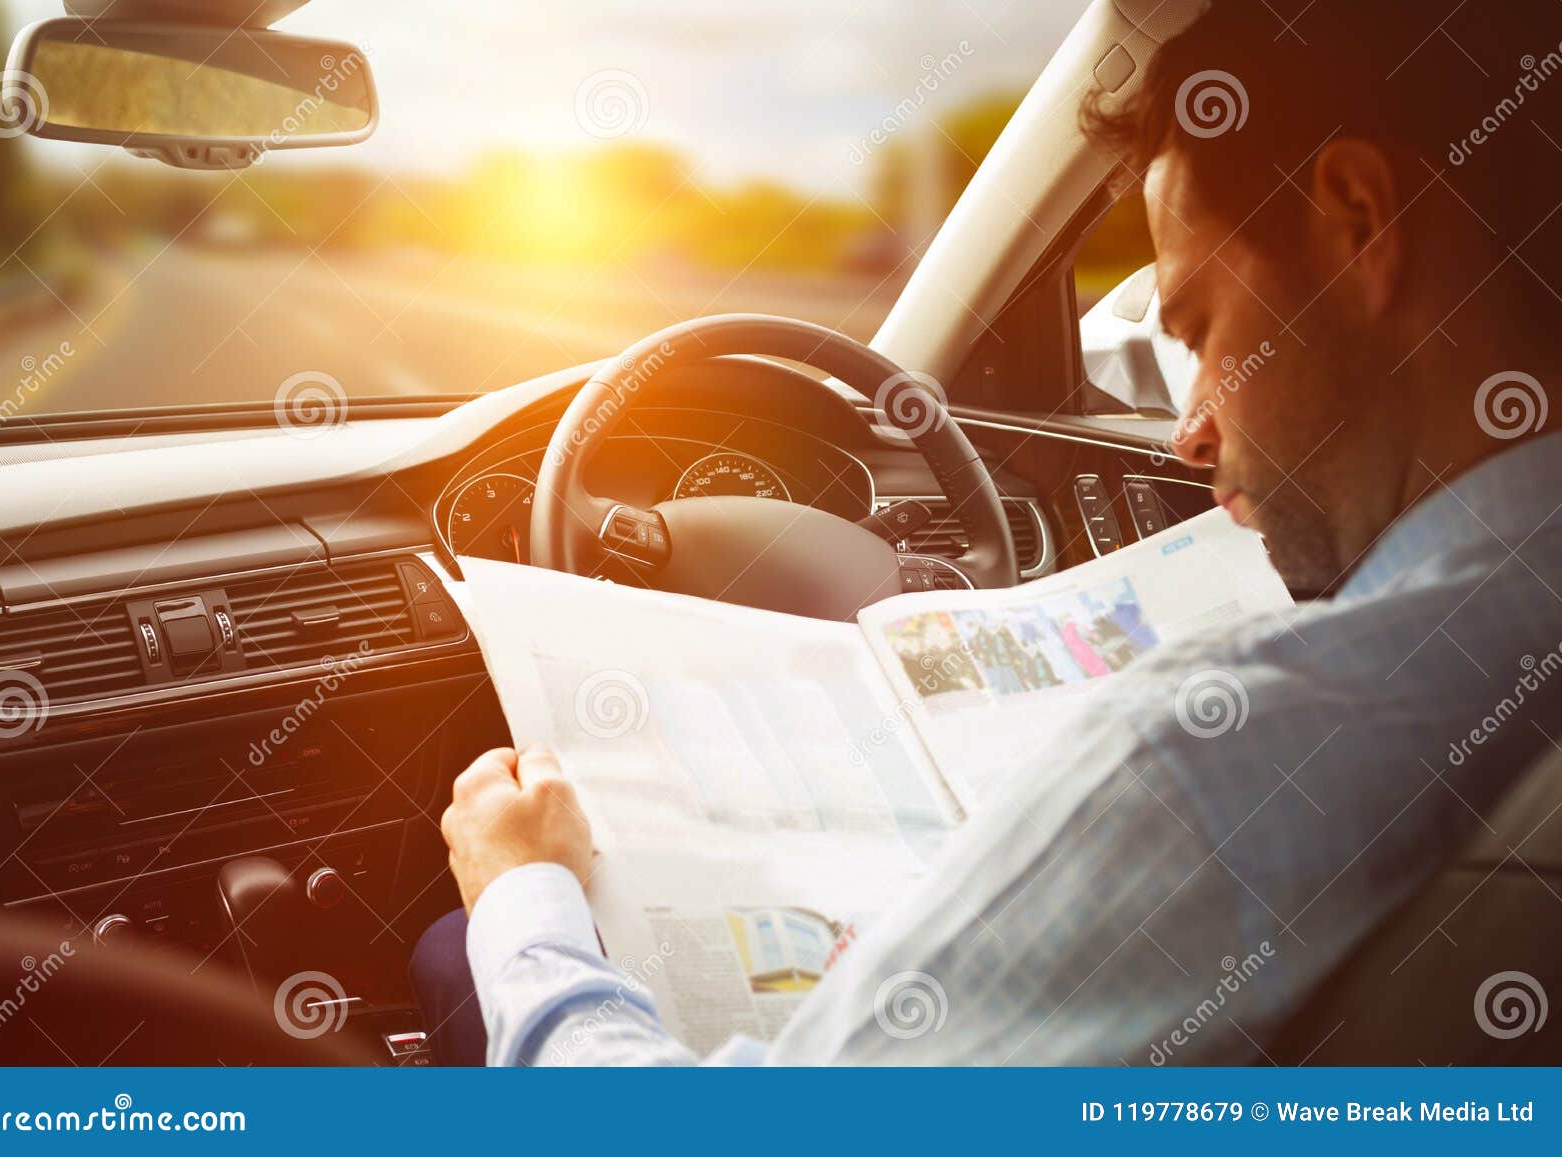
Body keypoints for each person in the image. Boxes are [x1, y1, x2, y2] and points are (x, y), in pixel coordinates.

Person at [414, 1, 1562, 1065]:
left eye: (1204, 330)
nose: (1188, 435)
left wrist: (523, 898)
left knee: (442, 948)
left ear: (1360, 222)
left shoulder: (1224, 751)